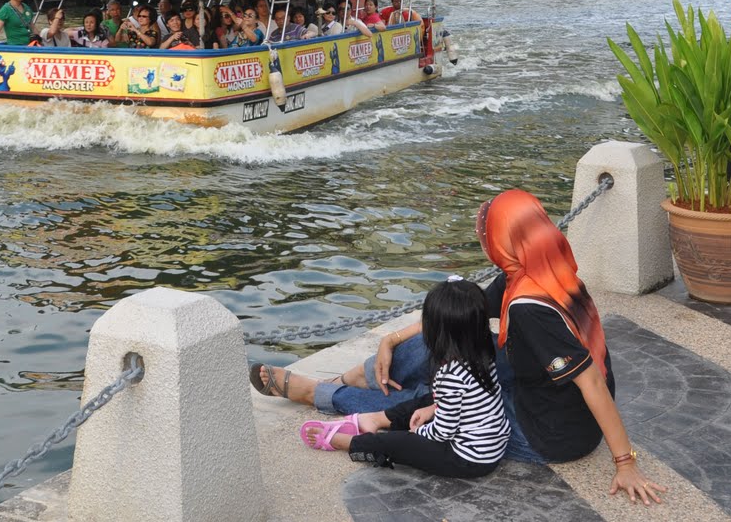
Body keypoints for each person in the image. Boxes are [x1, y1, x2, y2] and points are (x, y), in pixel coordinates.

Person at [249, 189, 668, 506]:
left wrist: (624, 462)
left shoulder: (530, 310)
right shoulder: (537, 264)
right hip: (540, 387)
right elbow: (467, 312)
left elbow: (591, 381)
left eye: (486, 232)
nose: (483, 237)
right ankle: (365, 372)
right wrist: (392, 338)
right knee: (447, 345)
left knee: (437, 398)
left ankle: (324, 394)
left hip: (550, 431)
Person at [297, 279, 509, 479]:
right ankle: (374, 419)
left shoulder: (450, 375)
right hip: (490, 447)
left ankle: (350, 442)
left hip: (466, 459)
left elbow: (443, 432)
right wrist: (431, 409)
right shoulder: (483, 355)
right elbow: (468, 402)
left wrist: (417, 432)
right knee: (427, 401)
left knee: (402, 443)